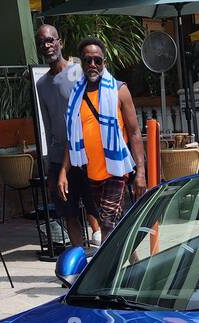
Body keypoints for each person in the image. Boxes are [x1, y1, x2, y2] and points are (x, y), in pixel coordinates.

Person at [58, 39, 145, 244]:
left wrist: (140, 172)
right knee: (115, 222)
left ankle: (108, 272)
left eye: (97, 60)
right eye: (88, 60)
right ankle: (130, 264)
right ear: (82, 63)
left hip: (116, 171)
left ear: (104, 62)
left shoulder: (119, 90)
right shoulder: (76, 96)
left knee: (106, 223)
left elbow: (134, 132)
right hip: (92, 173)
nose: (93, 65)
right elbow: (71, 138)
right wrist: (63, 171)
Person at [34, 22, 85, 248]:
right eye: (42, 42)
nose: (47, 45)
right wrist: (49, 166)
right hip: (57, 157)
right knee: (69, 213)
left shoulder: (78, 72)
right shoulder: (41, 83)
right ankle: (78, 265)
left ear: (60, 42)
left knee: (101, 214)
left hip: (83, 154)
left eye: (50, 40)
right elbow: (46, 125)